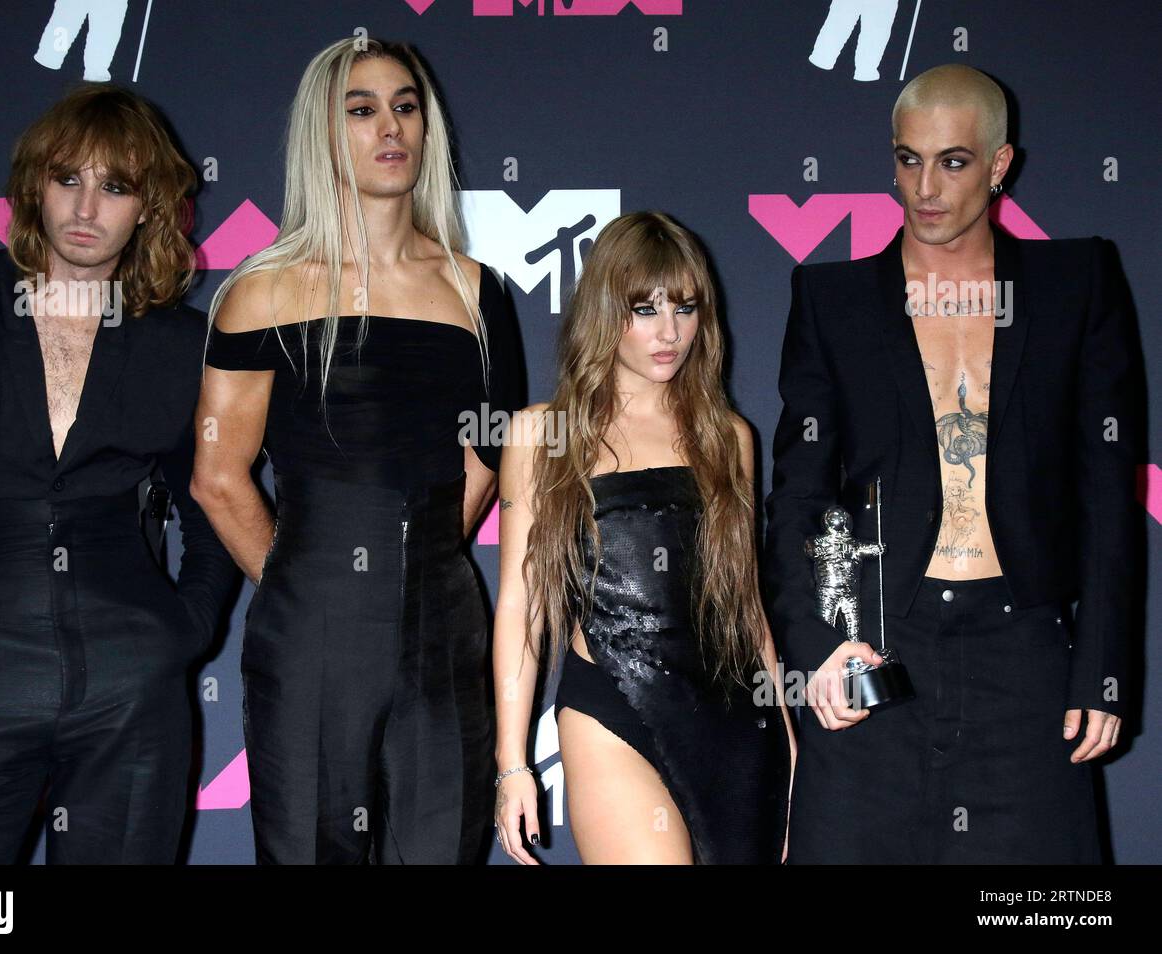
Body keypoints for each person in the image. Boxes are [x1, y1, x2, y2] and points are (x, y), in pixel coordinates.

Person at [763, 64, 1146, 863]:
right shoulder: (832, 300)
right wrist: (817, 643)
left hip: (1026, 653)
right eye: (908, 160)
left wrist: (1102, 667)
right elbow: (800, 494)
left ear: (1001, 164)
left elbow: (1109, 492)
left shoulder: (1074, 284)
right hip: (879, 647)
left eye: (954, 161)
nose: (925, 187)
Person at [0, 84, 238, 863]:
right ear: (35, 183)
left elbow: (210, 504)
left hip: (135, 682)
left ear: (149, 207)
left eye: (116, 186)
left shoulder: (184, 344)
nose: (87, 206)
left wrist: (187, 628)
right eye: (69, 178)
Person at [192, 38, 525, 865]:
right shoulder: (260, 291)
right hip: (311, 632)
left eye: (406, 106)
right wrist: (314, 579)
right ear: (323, 131)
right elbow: (217, 477)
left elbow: (492, 450)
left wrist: (421, 558)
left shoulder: (478, 291)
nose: (391, 127)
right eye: (362, 108)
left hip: (445, 623)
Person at [493, 212, 793, 865]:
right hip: (611, 707)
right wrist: (512, 762)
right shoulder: (542, 433)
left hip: (735, 717)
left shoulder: (727, 437)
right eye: (645, 308)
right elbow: (524, 608)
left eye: (685, 308)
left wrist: (792, 747)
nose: (669, 331)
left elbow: (746, 605)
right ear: (605, 310)